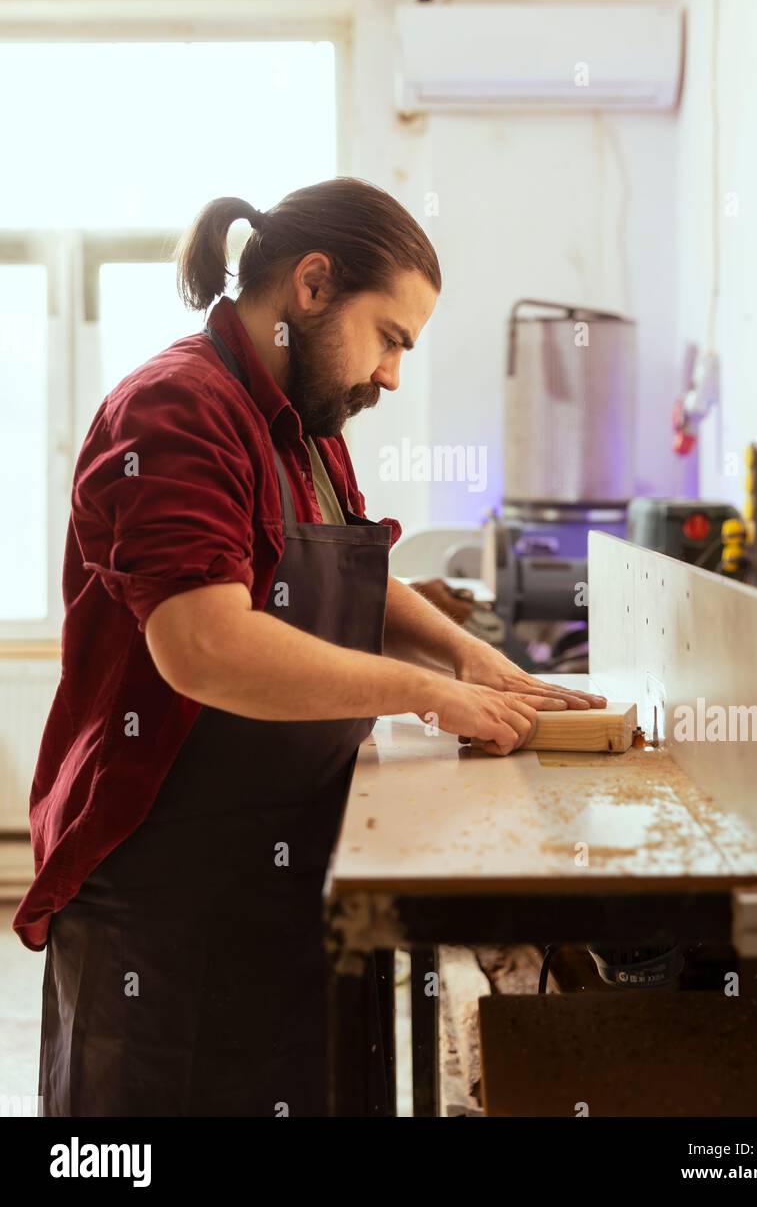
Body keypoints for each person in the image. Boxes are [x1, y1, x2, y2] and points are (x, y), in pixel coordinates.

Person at [14, 176, 605, 1116]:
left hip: (281, 856)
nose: (392, 374)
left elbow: (352, 577)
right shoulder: (176, 414)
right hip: (167, 888)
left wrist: (469, 657)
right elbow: (206, 646)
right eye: (391, 338)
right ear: (314, 285)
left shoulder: (304, 426)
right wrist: (430, 695)